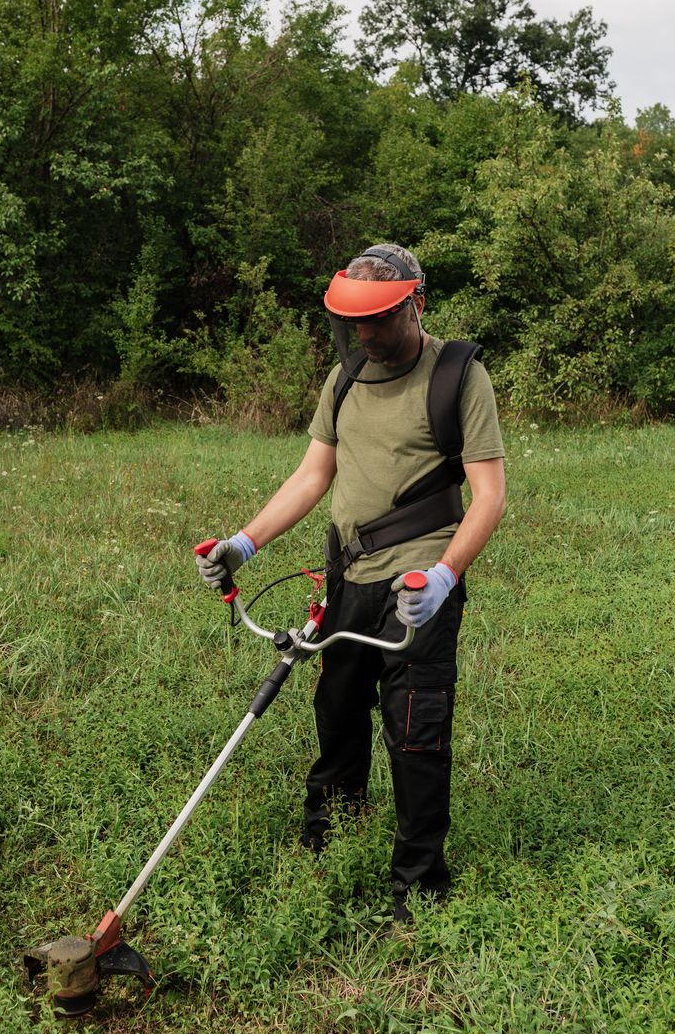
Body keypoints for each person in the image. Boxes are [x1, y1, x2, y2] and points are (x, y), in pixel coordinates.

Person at [196, 243, 506, 923]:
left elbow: (488, 497)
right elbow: (313, 475)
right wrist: (244, 542)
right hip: (348, 575)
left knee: (415, 726)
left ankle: (418, 888)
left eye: (378, 320)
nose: (364, 334)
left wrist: (446, 577)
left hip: (417, 582)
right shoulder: (343, 380)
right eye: (352, 322)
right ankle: (328, 831)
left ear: (414, 304)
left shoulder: (457, 376)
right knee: (337, 709)